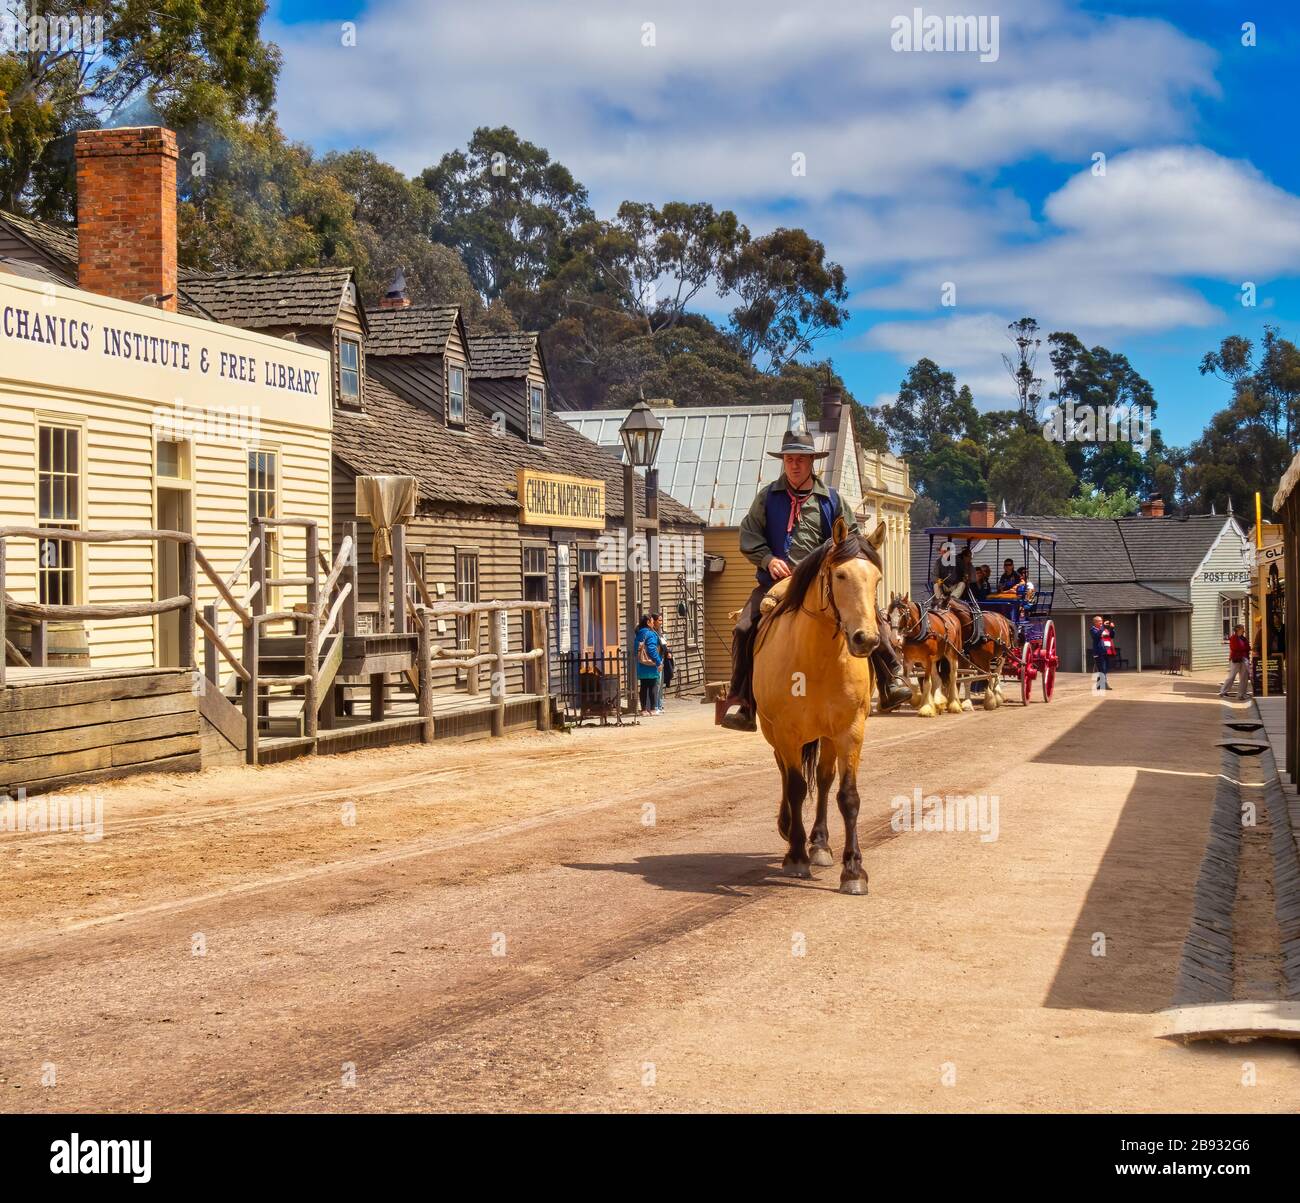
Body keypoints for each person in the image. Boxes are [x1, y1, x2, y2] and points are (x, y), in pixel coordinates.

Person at [720, 425, 912, 731]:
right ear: (783, 461)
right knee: (744, 627)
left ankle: (891, 678)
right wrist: (768, 559)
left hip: (824, 582)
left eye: (800, 459)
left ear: (812, 463)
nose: (794, 464)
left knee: (870, 616)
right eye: (789, 459)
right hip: (776, 583)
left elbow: (854, 540)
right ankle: (743, 702)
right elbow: (749, 534)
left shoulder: (830, 500)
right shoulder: (767, 497)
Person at [634, 614, 662, 716]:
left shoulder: (638, 634)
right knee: (653, 686)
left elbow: (635, 649)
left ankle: (643, 710)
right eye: (651, 621)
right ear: (648, 622)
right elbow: (652, 649)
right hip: (650, 665)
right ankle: (653, 709)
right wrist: (658, 661)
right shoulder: (650, 634)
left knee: (643, 687)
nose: (653, 622)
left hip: (641, 664)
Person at [1219, 623, 1252, 702]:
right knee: (1232, 676)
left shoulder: (1244, 639)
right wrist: (1245, 648)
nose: (1243, 630)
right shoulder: (1233, 638)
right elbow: (1235, 648)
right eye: (1242, 629)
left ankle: (1241, 694)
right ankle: (1223, 691)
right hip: (1236, 659)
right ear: (1237, 630)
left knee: (1244, 677)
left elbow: (1248, 647)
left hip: (1244, 659)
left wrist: (1245, 649)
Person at [1091, 614, 1115, 691]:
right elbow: (1097, 636)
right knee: (1102, 669)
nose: (1101, 623)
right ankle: (1103, 685)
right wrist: (1103, 627)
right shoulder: (1093, 630)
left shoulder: (1103, 629)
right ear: (1095, 622)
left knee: (1105, 669)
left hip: (1105, 651)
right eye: (1100, 622)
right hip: (1098, 652)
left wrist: (1112, 628)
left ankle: (1099, 685)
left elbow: (1112, 636)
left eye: (1101, 622)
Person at [653, 614, 671, 714]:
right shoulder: (653, 633)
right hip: (656, 661)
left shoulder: (660, 632)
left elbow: (664, 644)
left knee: (660, 684)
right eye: (659, 620)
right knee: (657, 683)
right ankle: (655, 706)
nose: (661, 622)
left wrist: (668, 650)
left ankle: (659, 704)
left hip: (662, 659)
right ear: (654, 621)